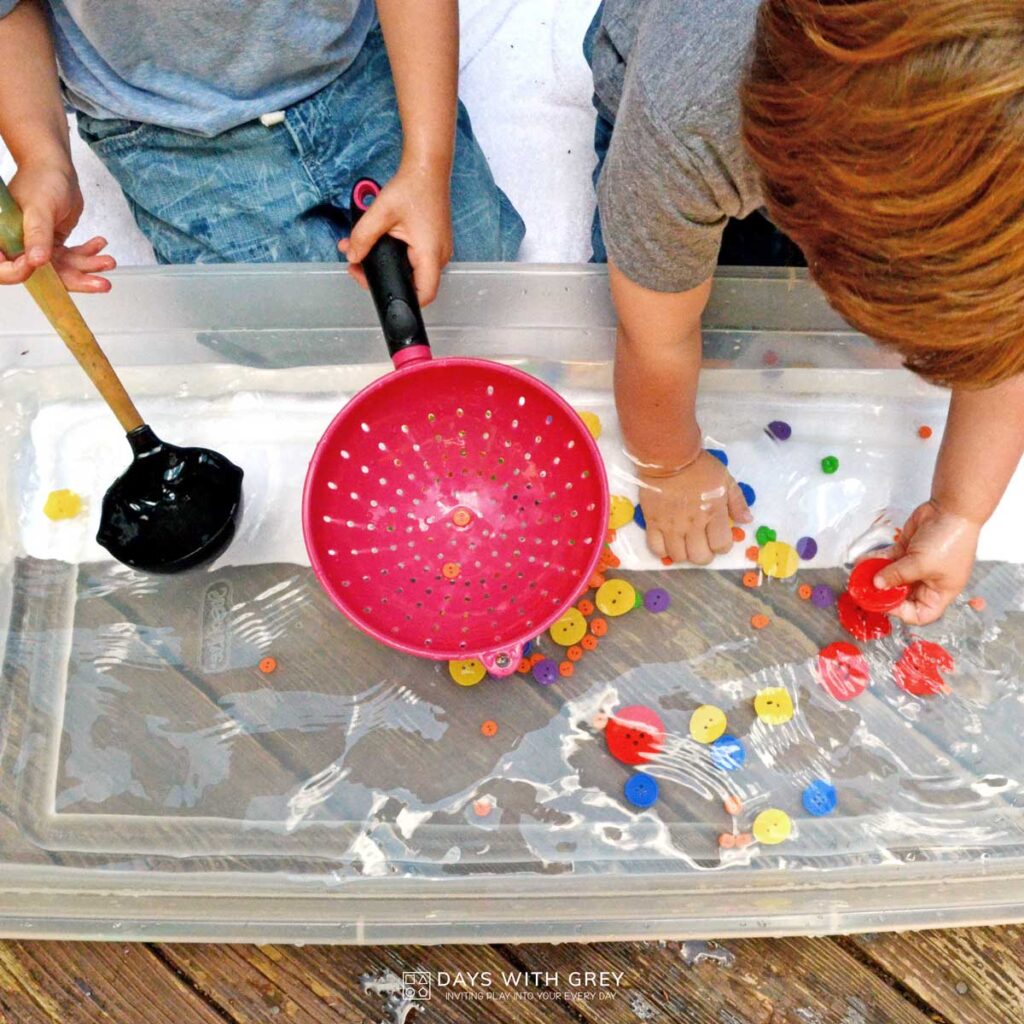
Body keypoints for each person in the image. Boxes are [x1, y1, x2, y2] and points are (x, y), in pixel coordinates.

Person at [585, 0, 1024, 625]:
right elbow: (655, 338)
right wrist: (670, 462)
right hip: (674, 94)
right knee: (657, 287)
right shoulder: (687, 120)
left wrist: (962, 509)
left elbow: (1006, 336)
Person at [0, 0, 524, 304]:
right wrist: (43, 155)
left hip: (348, 58)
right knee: (268, 332)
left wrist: (426, 165)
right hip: (165, 126)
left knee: (470, 279)